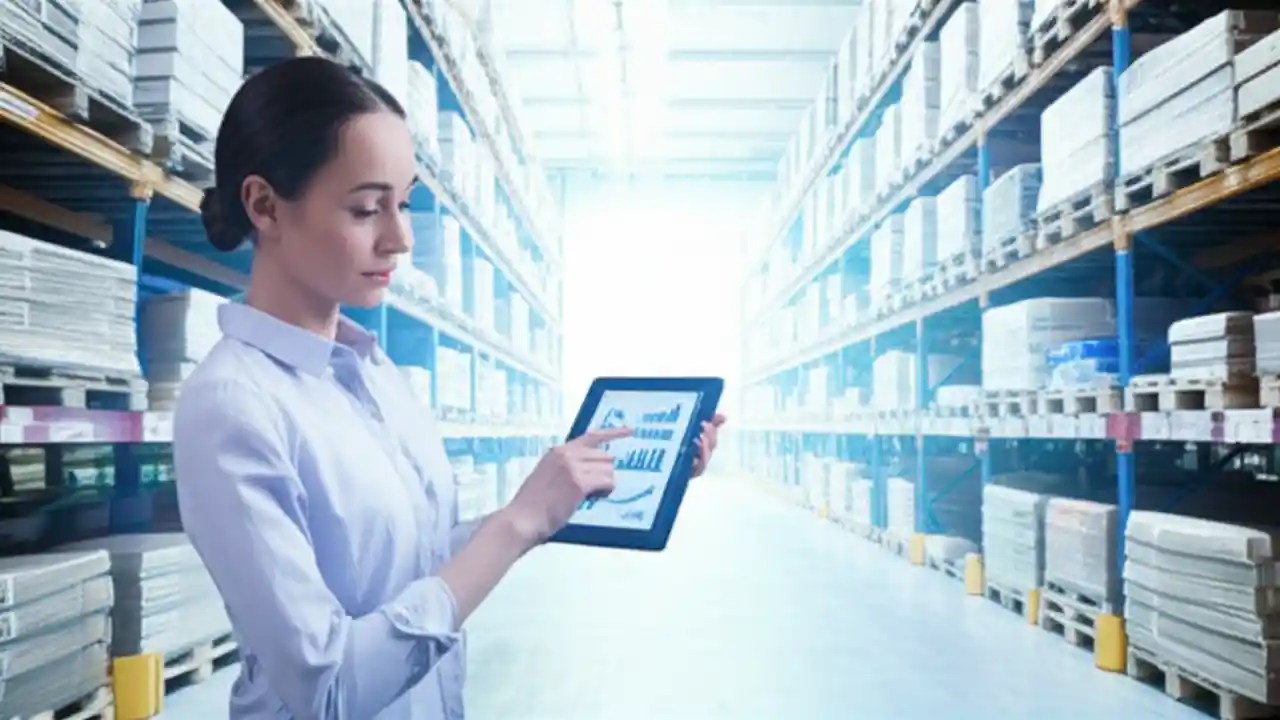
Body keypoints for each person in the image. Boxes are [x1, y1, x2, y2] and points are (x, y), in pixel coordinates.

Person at [173, 56, 724, 719]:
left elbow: (420, 564)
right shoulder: (232, 407)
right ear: (264, 205)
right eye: (366, 209)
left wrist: (567, 495)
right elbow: (327, 690)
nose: (400, 238)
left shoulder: (372, 373)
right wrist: (516, 525)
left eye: (404, 204)